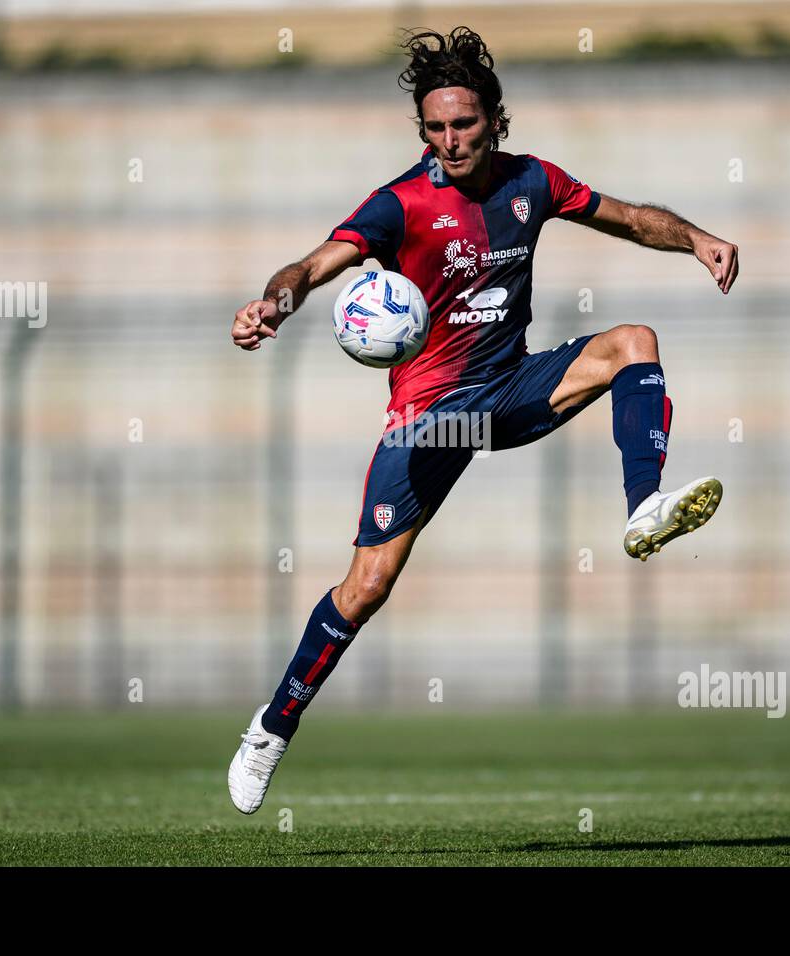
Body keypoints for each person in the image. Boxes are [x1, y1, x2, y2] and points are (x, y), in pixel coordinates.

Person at [227, 27, 738, 812]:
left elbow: (629, 218)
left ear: (496, 120)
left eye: (463, 124)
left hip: (509, 390)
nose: (449, 140)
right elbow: (315, 264)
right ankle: (272, 727)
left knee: (634, 343)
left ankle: (644, 508)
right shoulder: (401, 203)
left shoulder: (533, 181)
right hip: (428, 422)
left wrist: (696, 238)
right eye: (434, 128)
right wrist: (275, 302)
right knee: (366, 588)